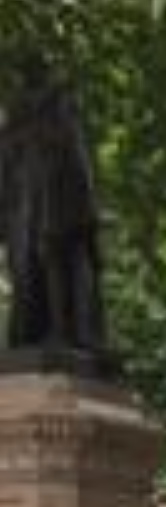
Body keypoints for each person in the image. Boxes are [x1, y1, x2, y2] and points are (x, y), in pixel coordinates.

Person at [0, 67, 106, 360]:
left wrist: (85, 215)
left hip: (58, 209)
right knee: (28, 272)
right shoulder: (14, 130)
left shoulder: (63, 117)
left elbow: (79, 168)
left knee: (58, 264)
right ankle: (37, 333)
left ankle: (65, 332)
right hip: (23, 214)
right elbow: (5, 172)